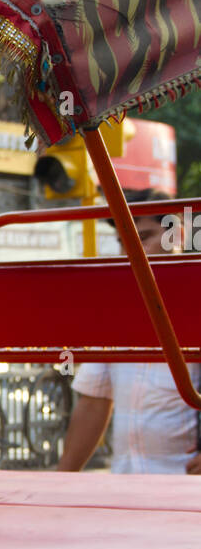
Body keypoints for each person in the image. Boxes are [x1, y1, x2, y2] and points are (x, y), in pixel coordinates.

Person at [58, 190, 201, 474]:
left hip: (187, 487)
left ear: (179, 235)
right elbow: (94, 400)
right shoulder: (116, 310)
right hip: (126, 484)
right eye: (125, 243)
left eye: (143, 238)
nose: (132, 252)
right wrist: (60, 481)